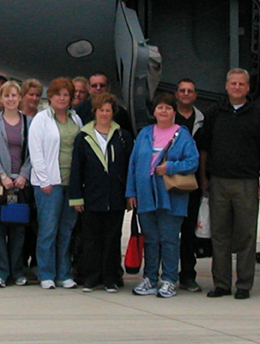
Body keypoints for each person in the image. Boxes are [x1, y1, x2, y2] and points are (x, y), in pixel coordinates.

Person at [195, 68, 260, 299]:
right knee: (219, 236)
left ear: (248, 88)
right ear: (226, 86)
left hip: (247, 183)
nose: (237, 87)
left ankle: (243, 285)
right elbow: (204, 149)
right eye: (233, 83)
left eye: (241, 84)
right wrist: (203, 178)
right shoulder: (214, 113)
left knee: (246, 236)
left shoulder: (259, 115)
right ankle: (221, 284)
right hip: (218, 182)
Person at [127, 94, 199, 297]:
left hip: (171, 196)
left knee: (169, 239)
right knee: (150, 239)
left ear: (174, 112)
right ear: (154, 111)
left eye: (168, 107)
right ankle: (150, 278)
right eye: (160, 107)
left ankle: (169, 279)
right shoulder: (144, 134)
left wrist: (171, 167)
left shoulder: (182, 135)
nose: (164, 111)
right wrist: (131, 192)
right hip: (146, 195)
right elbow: (133, 164)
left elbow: (193, 161)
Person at [70, 93, 133, 293]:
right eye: (101, 110)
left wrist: (130, 193)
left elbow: (130, 167)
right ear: (94, 112)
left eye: (108, 110)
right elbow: (76, 169)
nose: (104, 114)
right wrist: (77, 196)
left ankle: (111, 278)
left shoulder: (123, 136)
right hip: (92, 196)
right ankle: (91, 277)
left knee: (113, 238)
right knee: (91, 239)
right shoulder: (83, 137)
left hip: (115, 196)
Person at [28, 77, 82, 289]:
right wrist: (44, 180)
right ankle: (46, 273)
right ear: (50, 97)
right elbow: (36, 151)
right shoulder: (41, 119)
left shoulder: (75, 120)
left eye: (66, 94)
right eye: (58, 94)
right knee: (48, 229)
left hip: (71, 182)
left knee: (66, 229)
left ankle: (64, 273)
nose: (62, 98)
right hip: (49, 183)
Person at [0, 80, 31, 287]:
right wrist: (2, 175)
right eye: (6, 95)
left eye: (14, 95)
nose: (10, 99)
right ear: (0, 99)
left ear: (20, 98)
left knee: (18, 227)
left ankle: (17, 270)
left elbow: (32, 152)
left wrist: (23, 175)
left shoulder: (28, 122)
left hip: (20, 182)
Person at [173, 79, 206, 292]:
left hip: (192, 184)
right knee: (166, 232)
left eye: (190, 91)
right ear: (176, 94)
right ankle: (165, 273)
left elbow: (204, 153)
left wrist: (203, 180)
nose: (186, 94)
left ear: (195, 95)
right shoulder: (167, 116)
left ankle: (187, 274)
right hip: (168, 183)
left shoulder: (202, 120)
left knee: (188, 232)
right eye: (182, 90)